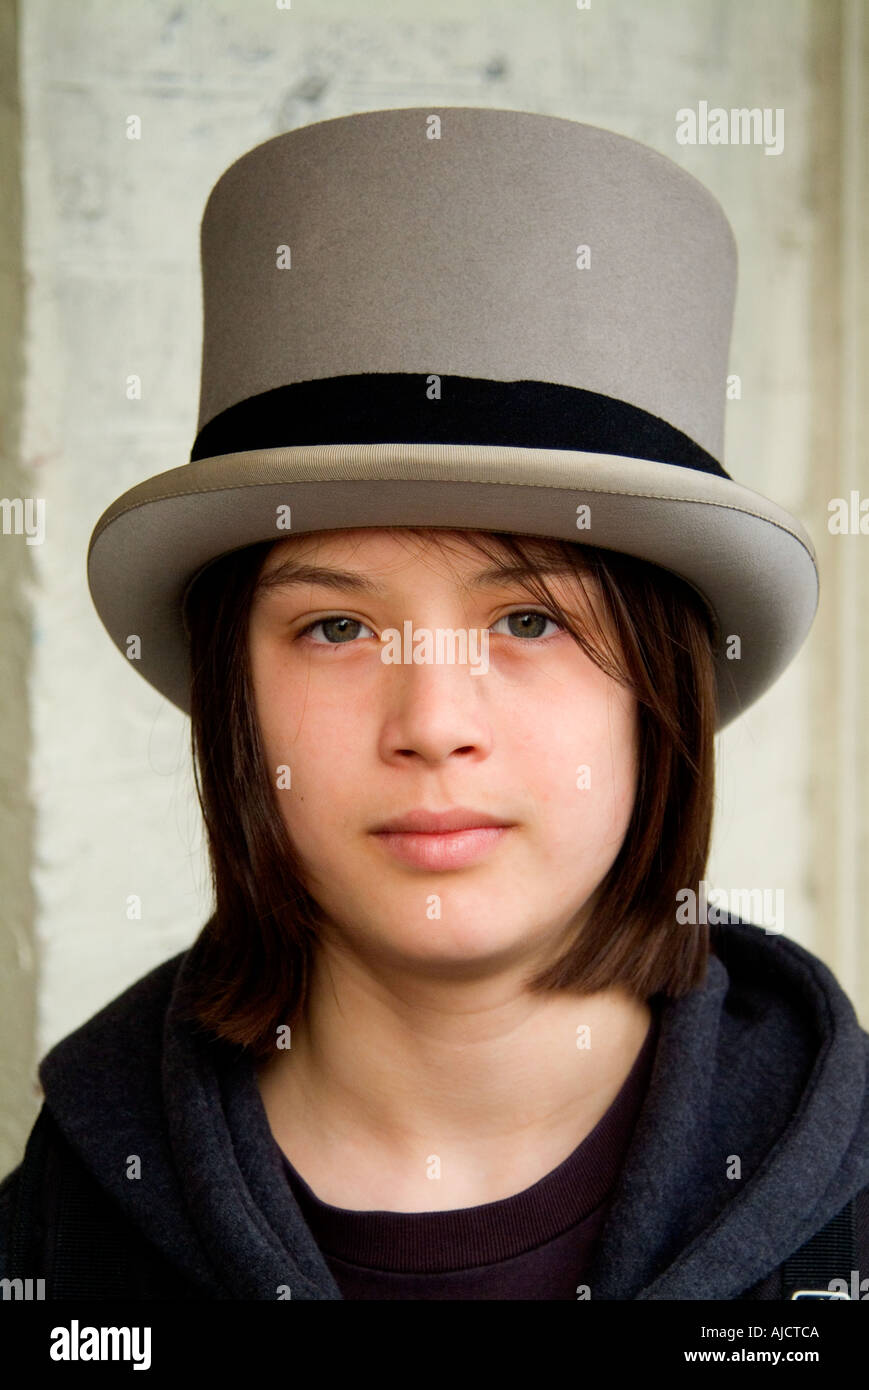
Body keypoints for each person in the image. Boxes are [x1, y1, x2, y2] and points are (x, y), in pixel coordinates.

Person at [1, 106, 867, 1302]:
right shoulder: (69, 1224)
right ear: (234, 691)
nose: (432, 723)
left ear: (656, 689)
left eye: (529, 621)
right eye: (336, 627)